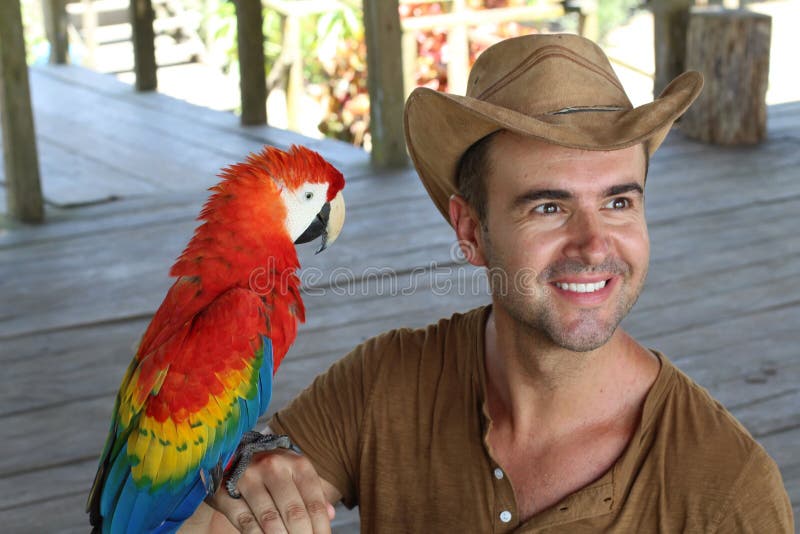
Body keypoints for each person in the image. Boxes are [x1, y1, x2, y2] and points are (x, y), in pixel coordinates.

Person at [186, 33, 794, 533]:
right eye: (548, 208)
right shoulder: (384, 385)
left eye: (617, 202)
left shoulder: (727, 492)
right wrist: (255, 475)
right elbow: (223, 511)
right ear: (471, 230)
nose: (594, 245)